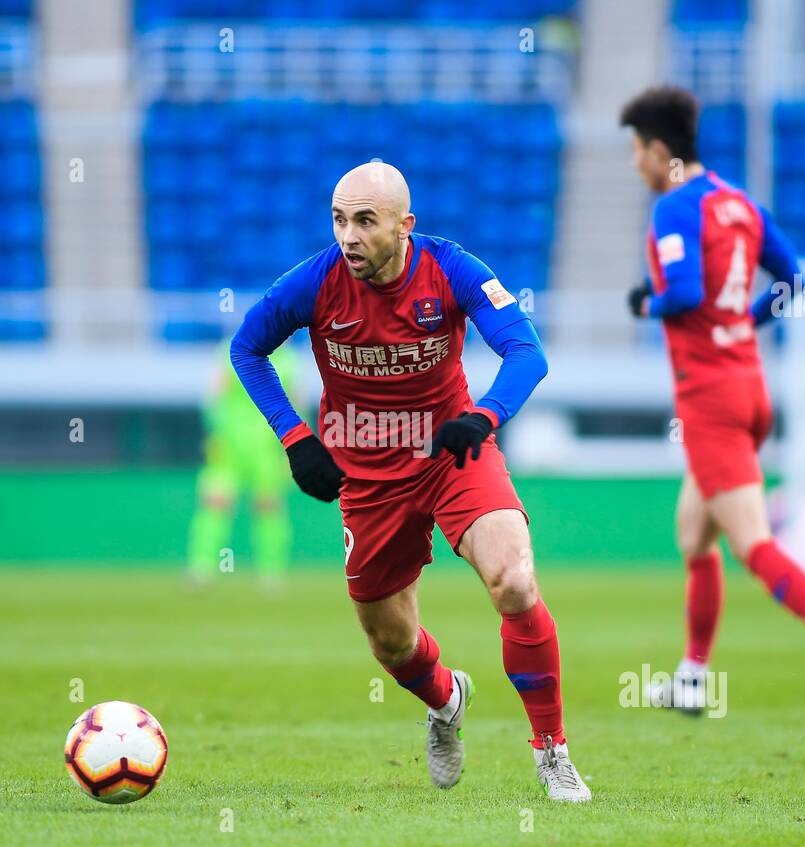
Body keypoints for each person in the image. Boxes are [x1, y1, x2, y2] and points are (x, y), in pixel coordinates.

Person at [229, 161, 590, 800]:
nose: (349, 236)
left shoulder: (451, 269)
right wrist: (295, 438)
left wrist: (483, 418)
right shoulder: (314, 283)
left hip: (453, 454)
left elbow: (526, 351)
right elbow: (246, 349)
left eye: (365, 221)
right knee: (391, 645)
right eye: (339, 219)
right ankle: (447, 699)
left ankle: (551, 751)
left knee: (514, 579)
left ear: (404, 225)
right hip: (366, 476)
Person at [620, 85, 805, 716]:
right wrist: (744, 320)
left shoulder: (674, 208)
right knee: (693, 531)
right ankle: (693, 678)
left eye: (635, 150)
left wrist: (643, 303)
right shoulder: (740, 205)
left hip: (710, 400)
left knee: (751, 542)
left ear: (658, 151)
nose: (634, 165)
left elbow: (680, 292)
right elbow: (795, 281)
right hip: (750, 389)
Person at [187, 341, 296, 586]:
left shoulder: (288, 360)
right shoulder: (232, 350)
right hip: (229, 445)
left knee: (268, 506)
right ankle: (201, 568)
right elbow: (215, 396)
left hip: (267, 446)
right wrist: (215, 432)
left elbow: (294, 403)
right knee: (216, 503)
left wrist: (293, 444)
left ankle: (272, 573)